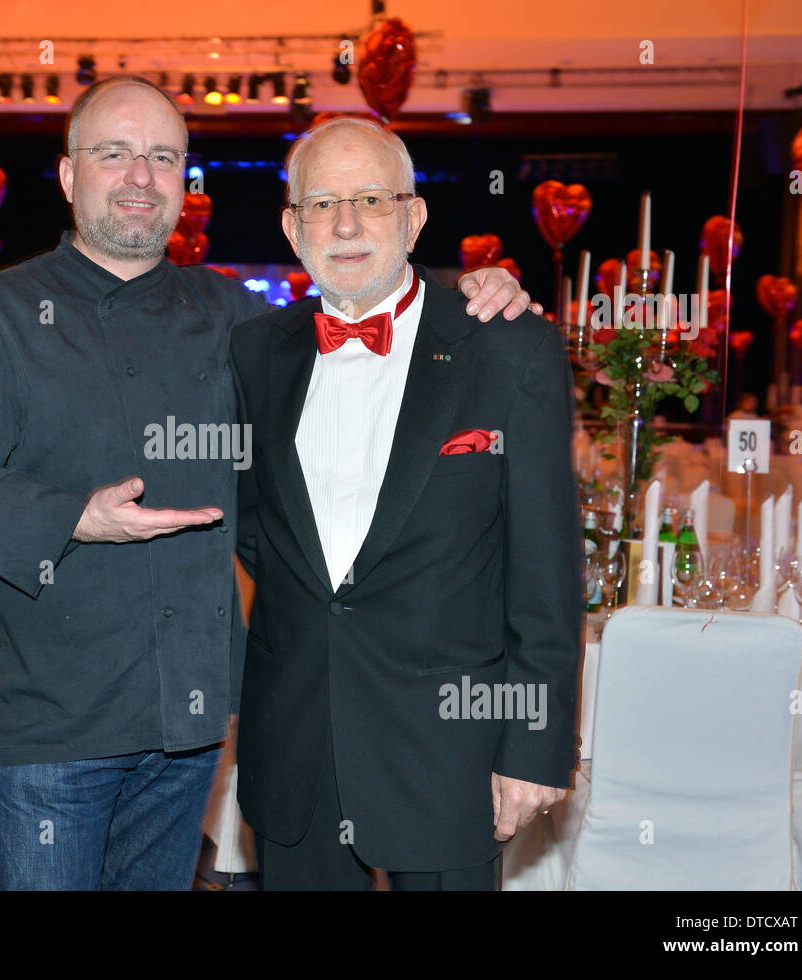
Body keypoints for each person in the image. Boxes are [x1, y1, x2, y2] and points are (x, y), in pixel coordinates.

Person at [0, 76, 537, 891]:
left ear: (184, 182)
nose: (140, 175)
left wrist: (474, 295)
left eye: (163, 157)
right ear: (68, 176)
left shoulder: (237, 319)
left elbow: (370, 329)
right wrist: (70, 518)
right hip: (55, 719)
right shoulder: (2, 315)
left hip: (191, 716)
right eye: (115, 154)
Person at [230, 115, 583, 890]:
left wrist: (533, 745)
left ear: (415, 216)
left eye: (371, 199)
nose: (346, 224)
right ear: (292, 228)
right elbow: (258, 534)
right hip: (297, 740)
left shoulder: (507, 345)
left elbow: (547, 571)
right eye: (321, 204)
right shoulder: (254, 352)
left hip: (449, 749)